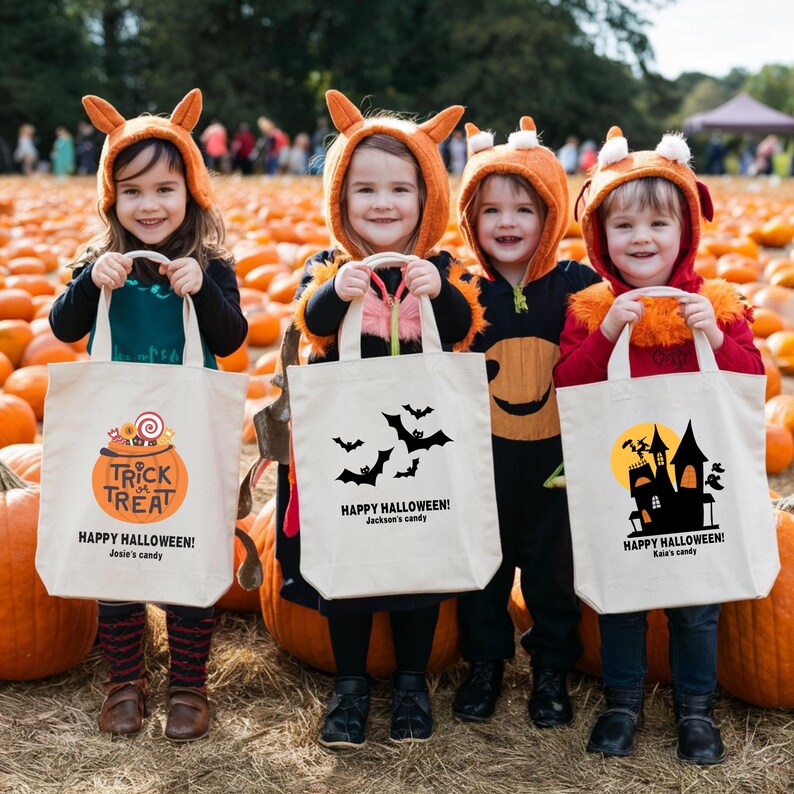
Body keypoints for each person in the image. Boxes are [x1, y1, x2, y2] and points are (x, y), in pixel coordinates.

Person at [280, 89, 482, 749]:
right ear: (341, 202)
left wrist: (439, 291)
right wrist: (330, 297)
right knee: (351, 570)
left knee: (417, 571)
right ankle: (349, 684)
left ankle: (413, 683)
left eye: (401, 188)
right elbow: (308, 327)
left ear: (428, 199)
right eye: (365, 189)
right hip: (352, 450)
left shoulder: (438, 269)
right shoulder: (329, 269)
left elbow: (459, 330)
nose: (384, 203)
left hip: (418, 449)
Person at [554, 127, 763, 764]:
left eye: (657, 224)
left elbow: (749, 386)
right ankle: (623, 704)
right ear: (600, 238)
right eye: (623, 227)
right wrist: (608, 335)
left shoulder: (717, 305)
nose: (641, 239)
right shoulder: (591, 309)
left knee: (696, 603)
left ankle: (695, 710)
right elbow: (570, 387)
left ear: (686, 232)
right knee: (622, 598)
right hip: (626, 481)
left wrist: (720, 341)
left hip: (694, 482)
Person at [48, 88, 248, 742]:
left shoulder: (210, 267)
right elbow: (62, 325)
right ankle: (123, 681)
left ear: (191, 190)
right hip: (117, 438)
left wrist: (201, 290)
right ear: (112, 203)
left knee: (189, 550)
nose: (150, 205)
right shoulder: (102, 267)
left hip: (186, 435)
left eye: (165, 188)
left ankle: (189, 684)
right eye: (132, 192)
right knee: (118, 553)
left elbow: (230, 340)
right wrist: (89, 281)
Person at [452, 117, 599, 728]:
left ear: (550, 214)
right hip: (482, 462)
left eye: (523, 208)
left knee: (551, 569)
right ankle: (485, 664)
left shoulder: (578, 286)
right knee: (482, 572)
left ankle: (549, 671)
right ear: (470, 218)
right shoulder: (459, 290)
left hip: (555, 464)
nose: (506, 223)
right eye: (490, 210)